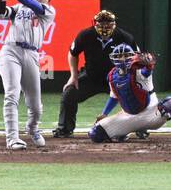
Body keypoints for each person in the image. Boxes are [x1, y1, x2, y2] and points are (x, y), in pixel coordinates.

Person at [52, 10, 140, 138]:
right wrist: (74, 75)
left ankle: (140, 127)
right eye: (101, 23)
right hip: (92, 76)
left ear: (114, 24)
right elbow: (73, 53)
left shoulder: (124, 37)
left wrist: (131, 79)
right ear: (95, 24)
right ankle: (64, 128)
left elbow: (136, 57)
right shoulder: (86, 35)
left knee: (136, 96)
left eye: (107, 23)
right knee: (69, 94)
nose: (104, 27)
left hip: (117, 78)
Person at [89, 44, 171, 144]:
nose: (122, 59)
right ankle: (129, 130)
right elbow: (114, 97)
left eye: (126, 55)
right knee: (95, 134)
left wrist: (149, 65)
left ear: (133, 56)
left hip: (152, 114)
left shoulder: (139, 70)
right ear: (113, 58)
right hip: (129, 117)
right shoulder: (112, 76)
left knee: (170, 102)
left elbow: (147, 72)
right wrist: (104, 113)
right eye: (119, 56)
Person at [0, 0, 56, 150]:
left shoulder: (48, 11)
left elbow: (33, 4)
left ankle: (32, 128)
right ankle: (12, 138)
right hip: (10, 51)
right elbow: (0, 14)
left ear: (49, 0)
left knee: (36, 105)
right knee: (12, 93)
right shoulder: (18, 8)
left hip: (32, 55)